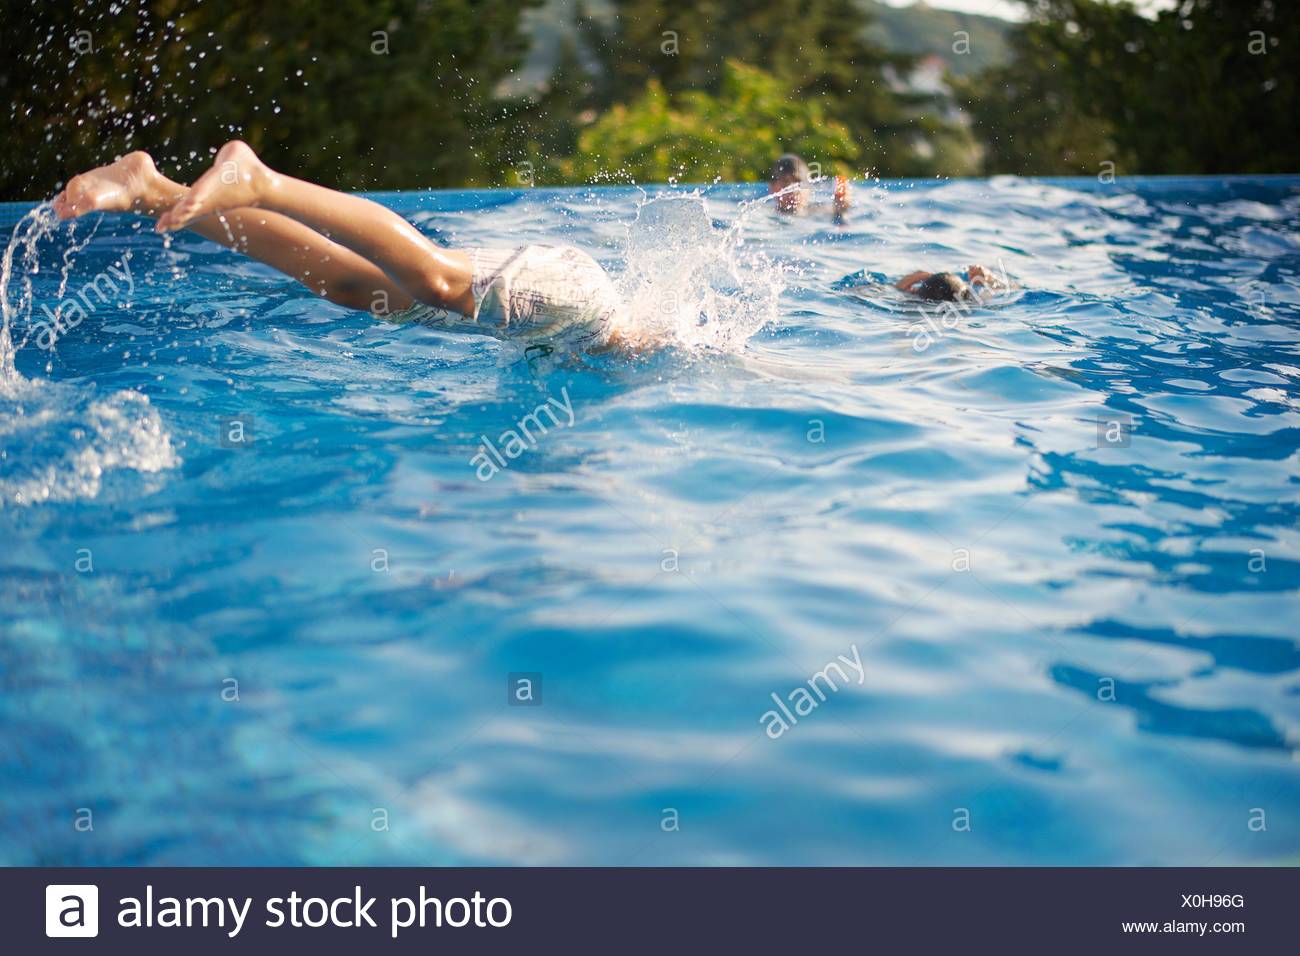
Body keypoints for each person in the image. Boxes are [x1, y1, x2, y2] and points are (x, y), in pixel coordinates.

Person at [51, 141, 645, 353]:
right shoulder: (695, 361)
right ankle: (261, 180)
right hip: (583, 309)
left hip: (546, 330)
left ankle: (149, 189)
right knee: (435, 277)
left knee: (345, 285)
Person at [766, 154, 851, 221]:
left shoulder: (821, 211)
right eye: (785, 183)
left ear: (809, 188)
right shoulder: (765, 214)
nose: (793, 190)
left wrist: (841, 210)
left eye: (799, 183)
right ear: (772, 188)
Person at [894, 264, 1010, 302]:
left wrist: (917, 276)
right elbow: (1012, 289)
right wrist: (991, 279)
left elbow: (900, 287)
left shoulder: (909, 303)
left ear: (914, 290)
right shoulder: (974, 303)